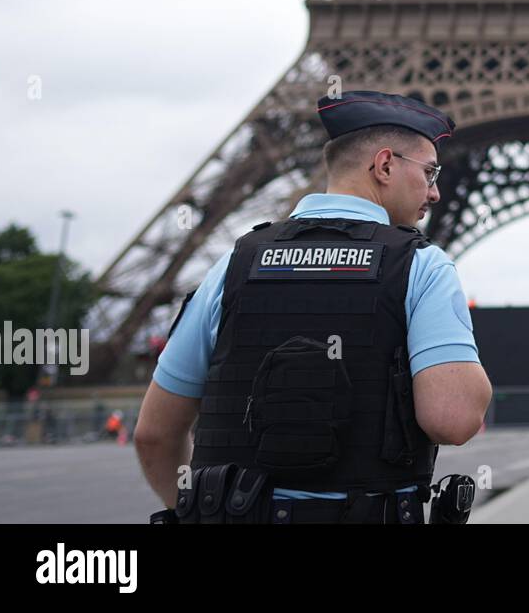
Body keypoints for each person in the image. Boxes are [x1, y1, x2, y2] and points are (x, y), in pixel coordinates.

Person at [134, 90, 492, 523]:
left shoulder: (235, 264)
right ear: (385, 165)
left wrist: (202, 509)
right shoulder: (421, 265)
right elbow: (452, 419)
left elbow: (154, 435)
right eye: (430, 172)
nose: (434, 193)